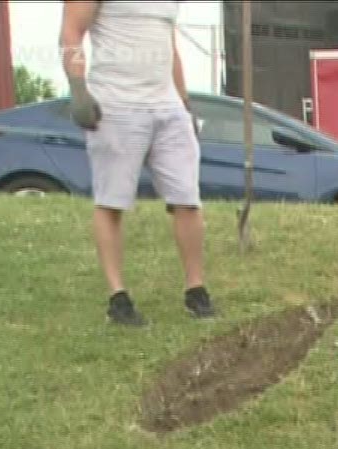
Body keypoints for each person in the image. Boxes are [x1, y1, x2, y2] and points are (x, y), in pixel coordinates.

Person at [60, 1, 215, 327]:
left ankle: (196, 290)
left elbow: (169, 46)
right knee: (112, 201)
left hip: (167, 106)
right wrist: (78, 91)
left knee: (187, 197)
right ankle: (118, 298)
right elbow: (71, 32)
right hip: (116, 104)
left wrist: (185, 105)